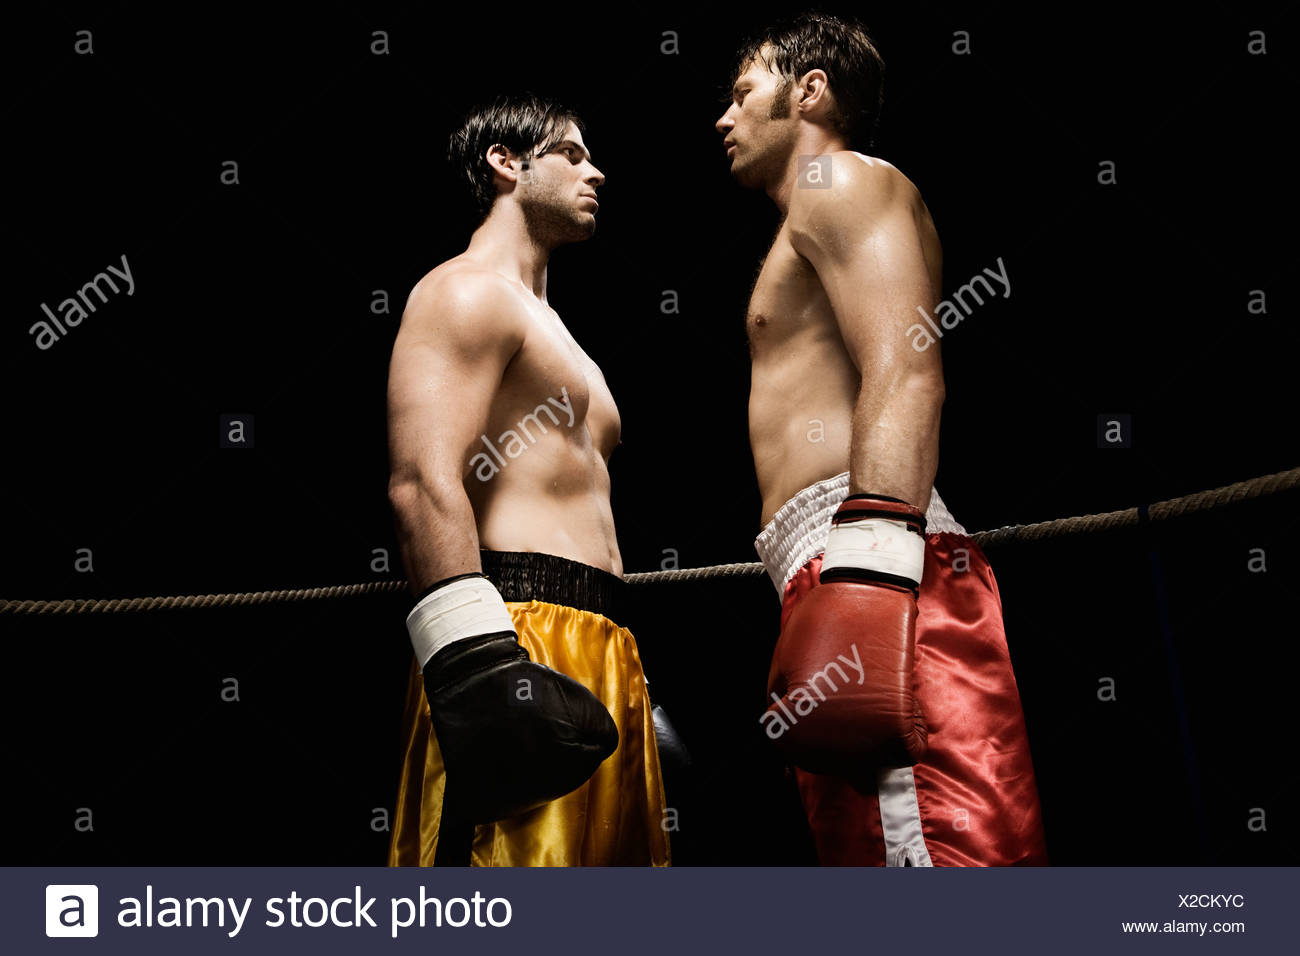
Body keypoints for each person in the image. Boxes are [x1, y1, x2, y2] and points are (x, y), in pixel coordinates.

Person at [715, 13, 1048, 866]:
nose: (724, 118)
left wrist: (868, 577)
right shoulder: (804, 218)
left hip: (881, 565)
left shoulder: (841, 181)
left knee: (935, 862)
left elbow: (907, 369)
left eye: (744, 92)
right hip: (835, 563)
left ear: (811, 90)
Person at [385, 94, 669, 866]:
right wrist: (476, 667)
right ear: (506, 164)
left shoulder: (566, 340)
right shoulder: (464, 290)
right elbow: (419, 478)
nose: (596, 171)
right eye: (572, 154)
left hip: (605, 645)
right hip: (509, 636)